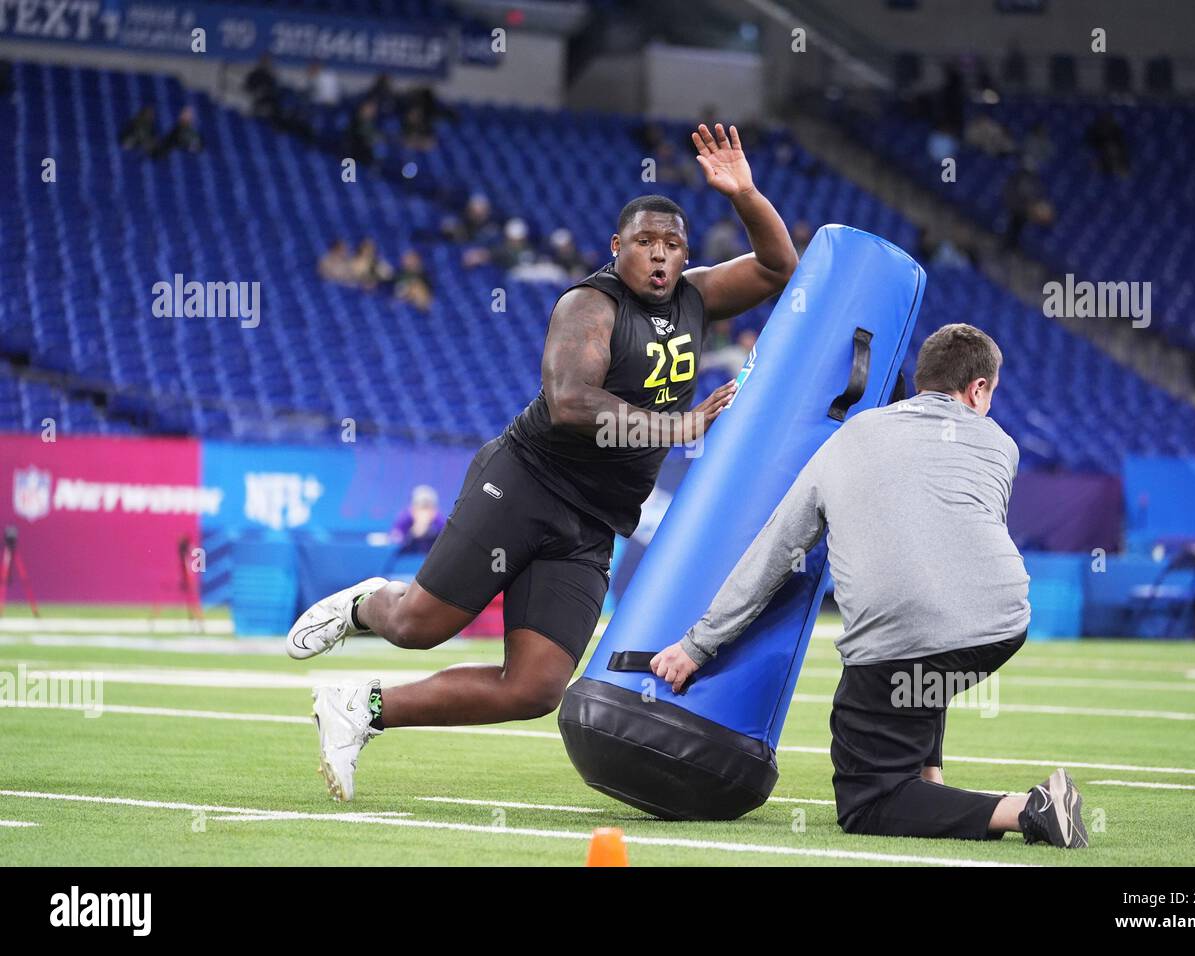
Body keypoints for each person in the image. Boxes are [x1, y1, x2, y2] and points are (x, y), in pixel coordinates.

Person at [288, 123, 800, 802]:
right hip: (526, 484)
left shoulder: (696, 297)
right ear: (617, 248)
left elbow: (777, 267)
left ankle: (361, 709)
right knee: (419, 627)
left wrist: (744, 193)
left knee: (534, 688)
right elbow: (569, 402)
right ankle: (365, 603)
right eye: (645, 242)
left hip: (594, 522)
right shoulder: (589, 303)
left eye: (672, 245)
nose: (659, 256)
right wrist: (678, 424)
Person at [650, 324, 1087, 849]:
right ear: (977, 389)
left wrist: (697, 645)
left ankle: (1029, 810)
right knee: (927, 657)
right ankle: (932, 786)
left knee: (869, 801)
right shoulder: (1001, 444)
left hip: (906, 638)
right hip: (1002, 624)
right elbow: (947, 549)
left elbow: (774, 551)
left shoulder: (850, 436)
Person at [390, 486, 445, 553]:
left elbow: (447, 539)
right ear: (413, 508)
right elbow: (395, 537)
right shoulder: (406, 517)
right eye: (421, 507)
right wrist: (411, 534)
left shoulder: (439, 520)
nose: (424, 513)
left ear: (434, 509)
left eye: (427, 507)